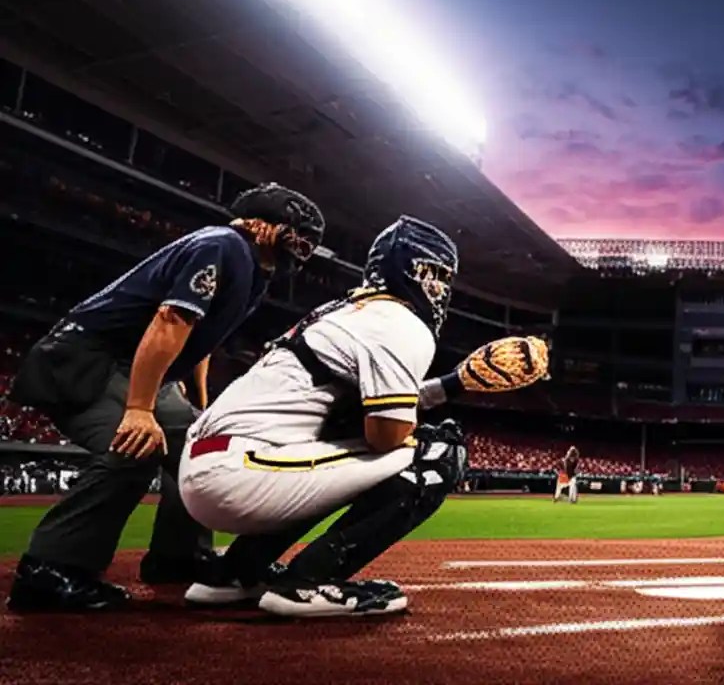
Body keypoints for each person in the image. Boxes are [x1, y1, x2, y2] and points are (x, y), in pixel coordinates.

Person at [176, 215, 549, 618]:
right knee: (439, 451)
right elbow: (384, 435)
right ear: (410, 271)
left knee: (344, 450)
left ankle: (235, 573)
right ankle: (309, 582)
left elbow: (354, 409)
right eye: (435, 274)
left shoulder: (350, 310)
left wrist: (455, 383)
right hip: (243, 474)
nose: (441, 289)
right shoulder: (402, 323)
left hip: (217, 463)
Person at [6, 183, 324, 612]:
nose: (302, 246)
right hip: (84, 361)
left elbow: (200, 342)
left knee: (200, 446)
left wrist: (202, 408)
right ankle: (49, 570)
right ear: (261, 225)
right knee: (134, 446)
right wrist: (138, 409)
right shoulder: (225, 244)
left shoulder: (251, 272)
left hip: (133, 368)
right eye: (295, 232)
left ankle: (179, 557)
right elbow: (170, 318)